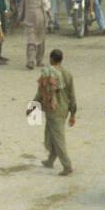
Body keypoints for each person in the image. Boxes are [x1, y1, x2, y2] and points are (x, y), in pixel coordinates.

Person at [32, 48, 77, 176]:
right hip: (64, 109)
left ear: (51, 59)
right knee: (52, 135)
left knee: (58, 139)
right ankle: (50, 160)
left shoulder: (47, 73)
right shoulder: (67, 74)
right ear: (61, 60)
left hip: (53, 111)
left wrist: (33, 106)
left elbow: (40, 92)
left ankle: (67, 166)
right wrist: (72, 114)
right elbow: (72, 95)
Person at [21, 0, 52, 68]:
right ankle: (30, 61)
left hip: (41, 20)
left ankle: (39, 60)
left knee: (41, 41)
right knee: (31, 42)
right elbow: (22, 7)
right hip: (29, 21)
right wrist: (19, 18)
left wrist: (50, 17)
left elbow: (46, 6)